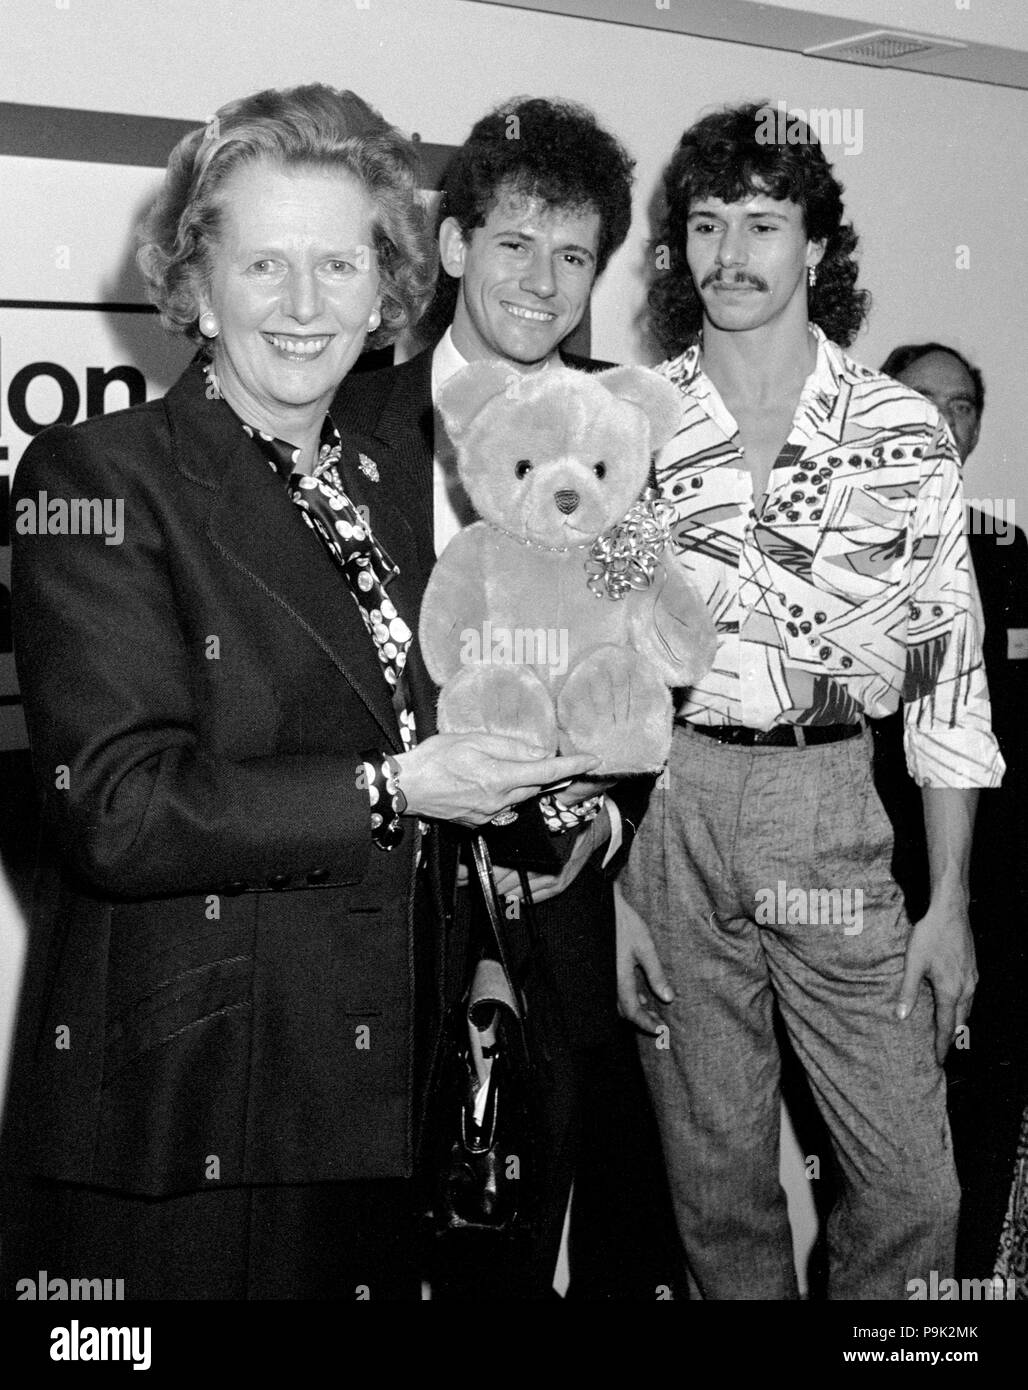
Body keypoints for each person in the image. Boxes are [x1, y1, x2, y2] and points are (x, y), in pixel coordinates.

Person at [0, 83, 596, 1302]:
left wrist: (541, 800)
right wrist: (393, 791)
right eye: (262, 263)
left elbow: (422, 724)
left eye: (338, 263)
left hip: (377, 1094)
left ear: (386, 289)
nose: (304, 303)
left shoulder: (379, 484)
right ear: (194, 282)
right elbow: (117, 806)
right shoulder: (99, 477)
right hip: (202, 1095)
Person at [614, 102, 1003, 1300]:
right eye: (706, 222)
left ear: (816, 247)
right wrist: (618, 884)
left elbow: (946, 678)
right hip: (665, 801)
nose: (730, 252)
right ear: (677, 246)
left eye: (763, 223)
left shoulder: (899, 432)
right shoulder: (621, 424)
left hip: (831, 802)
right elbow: (604, 662)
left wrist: (946, 905)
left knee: (909, 1183)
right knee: (714, 1184)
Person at [337, 95, 686, 1300]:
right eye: (514, 244)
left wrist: (605, 817)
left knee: (513, 1244)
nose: (544, 283)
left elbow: (645, 652)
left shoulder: (618, 447)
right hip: (368, 913)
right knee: (360, 1253)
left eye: (574, 255)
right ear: (449, 246)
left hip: (553, 916)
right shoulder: (344, 425)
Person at [875, 343, 1028, 1280]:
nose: (939, 419)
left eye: (959, 404)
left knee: (970, 1169)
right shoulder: (826, 555)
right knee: (878, 1181)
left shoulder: (1011, 556)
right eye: (916, 400)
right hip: (846, 904)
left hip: (990, 911)